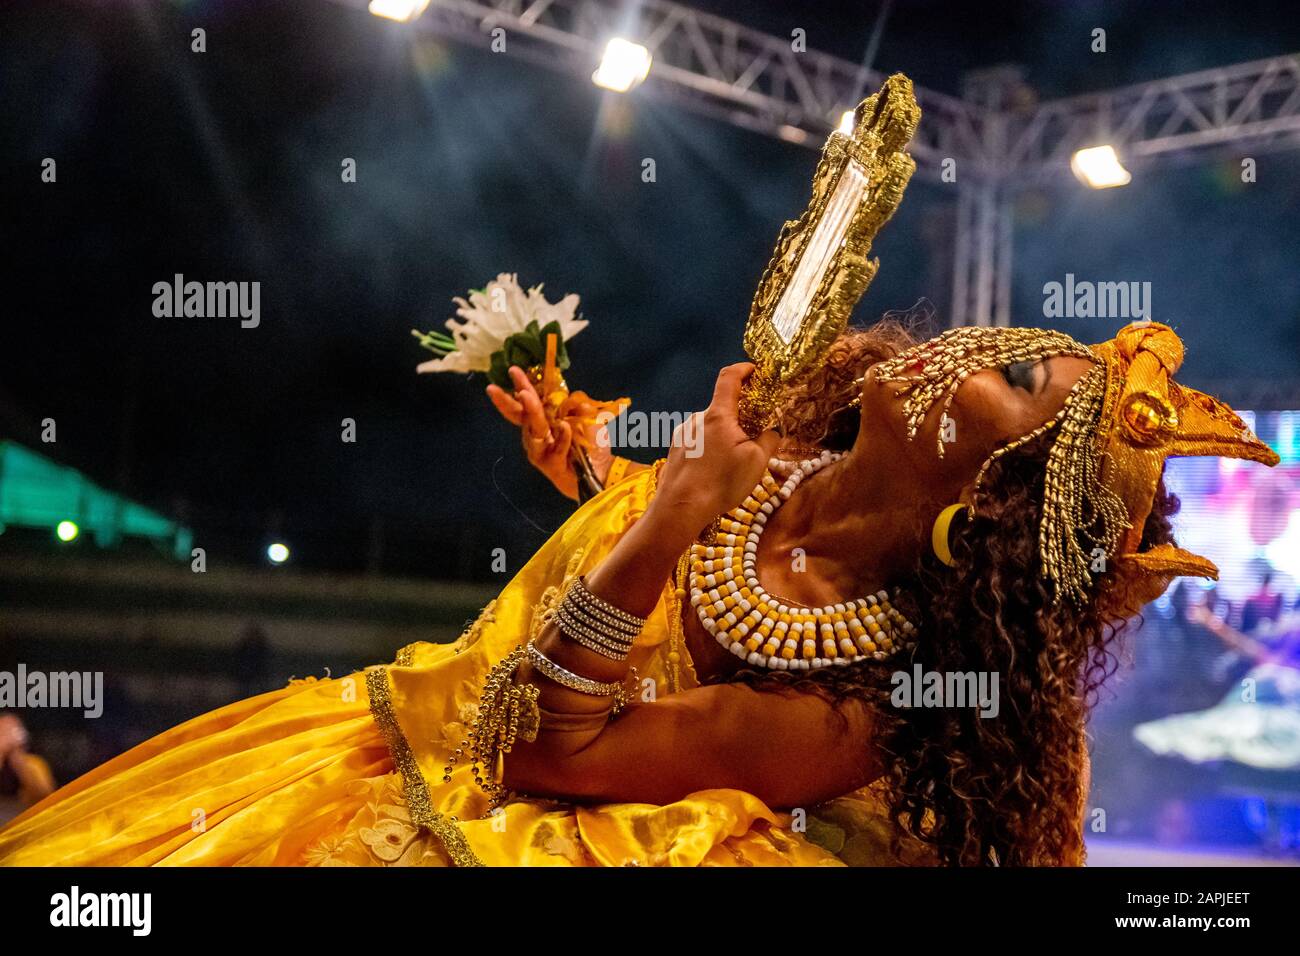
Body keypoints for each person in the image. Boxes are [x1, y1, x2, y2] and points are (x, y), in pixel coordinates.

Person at [0, 321, 1278, 866]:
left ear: (996, 498)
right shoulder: (786, 466)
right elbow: (669, 571)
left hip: (491, 798)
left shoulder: (851, 708)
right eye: (1008, 344)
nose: (968, 353)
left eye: (1013, 384)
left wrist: (661, 514)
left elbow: (552, 749)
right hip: (380, 735)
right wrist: (600, 471)